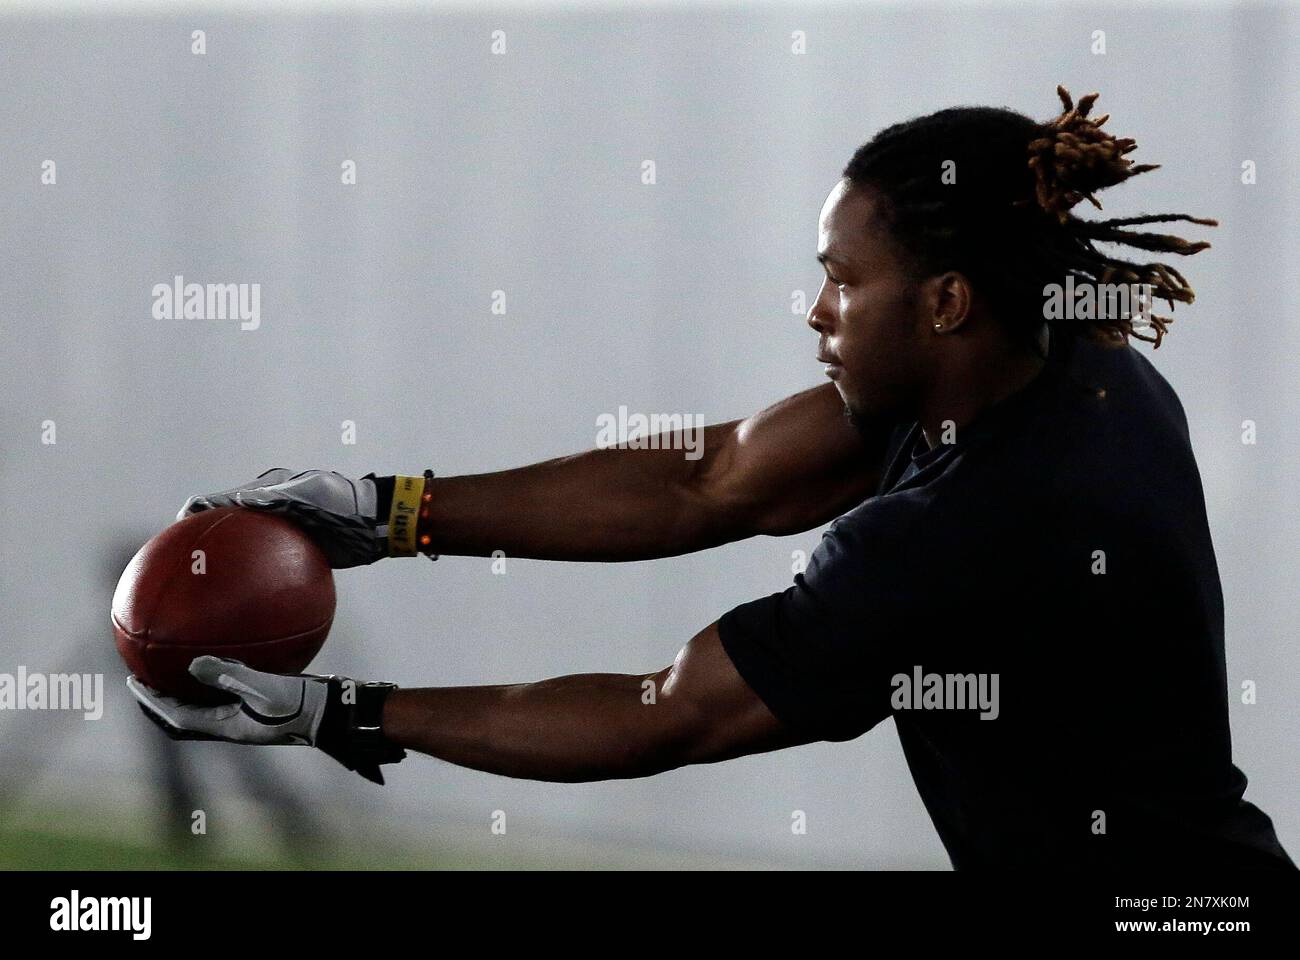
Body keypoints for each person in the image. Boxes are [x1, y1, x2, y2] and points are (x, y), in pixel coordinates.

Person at [131, 86, 1295, 870]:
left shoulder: (947, 538)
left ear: (946, 301)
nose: (818, 310)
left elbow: (666, 714)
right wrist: (389, 511)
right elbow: (715, 480)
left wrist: (343, 713)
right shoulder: (1070, 366)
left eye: (844, 279)